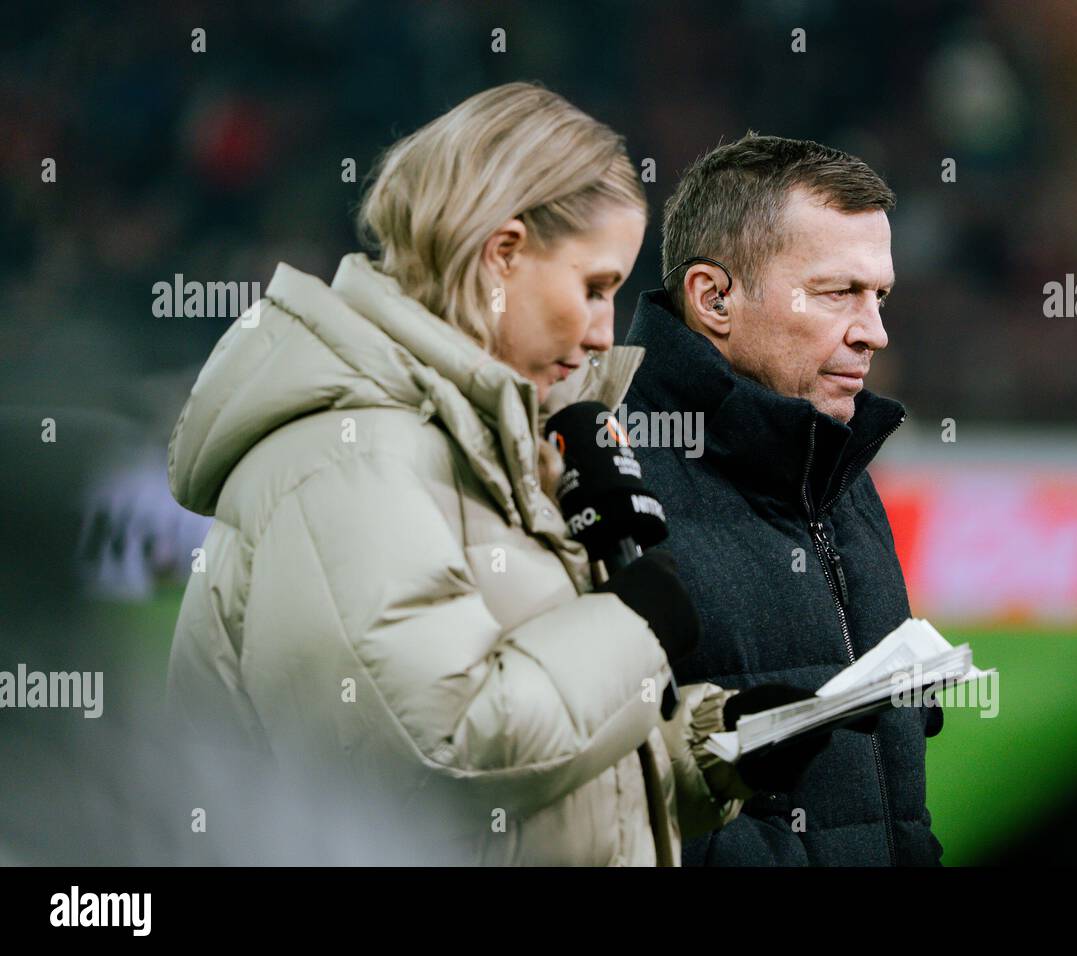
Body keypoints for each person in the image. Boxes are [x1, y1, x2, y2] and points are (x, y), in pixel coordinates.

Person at [164, 83, 819, 866]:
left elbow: (525, 806)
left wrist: (712, 754)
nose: (606, 331)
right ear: (504, 254)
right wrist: (632, 627)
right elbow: (436, 758)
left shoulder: (486, 439)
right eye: (594, 287)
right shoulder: (345, 459)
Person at [622, 133, 945, 866]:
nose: (875, 333)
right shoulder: (606, 481)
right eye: (839, 293)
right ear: (714, 298)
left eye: (881, 296)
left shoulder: (838, 469)